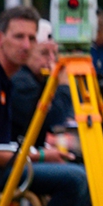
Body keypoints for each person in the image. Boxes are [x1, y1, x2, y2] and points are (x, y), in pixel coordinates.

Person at [0, 7, 95, 206]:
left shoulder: (7, 81)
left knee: (78, 170)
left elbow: (7, 146)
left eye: (31, 39)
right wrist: (42, 155)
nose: (26, 45)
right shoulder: (20, 83)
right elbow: (50, 120)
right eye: (19, 37)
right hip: (5, 169)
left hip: (10, 162)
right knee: (74, 178)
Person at [10, 20, 74, 148]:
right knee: (77, 168)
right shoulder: (21, 82)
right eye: (44, 53)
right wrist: (64, 85)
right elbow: (56, 120)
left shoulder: (37, 80)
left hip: (30, 152)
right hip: (19, 159)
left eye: (55, 54)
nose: (51, 60)